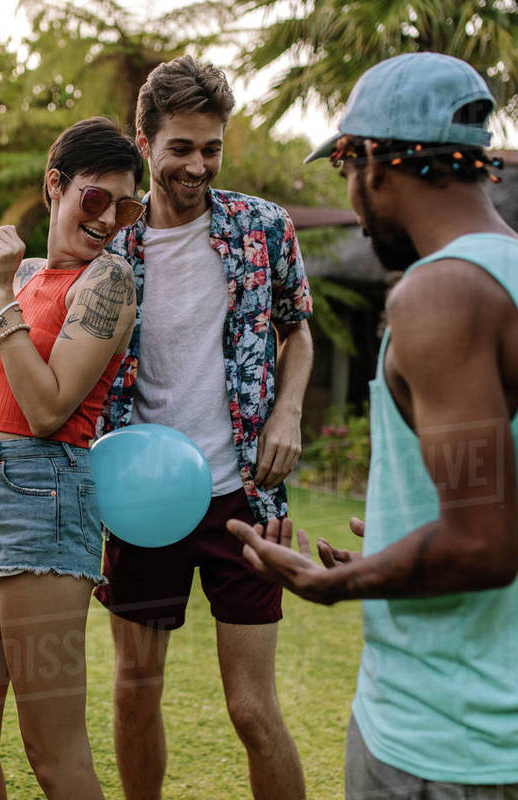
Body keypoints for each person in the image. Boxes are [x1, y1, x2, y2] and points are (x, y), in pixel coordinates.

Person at [228, 52, 518, 799]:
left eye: (345, 170)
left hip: (441, 741)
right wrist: (409, 548)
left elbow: (482, 543)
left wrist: (340, 582)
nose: (351, 199)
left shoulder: (438, 294)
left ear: (373, 162)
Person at [90, 56, 313, 800]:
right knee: (134, 689)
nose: (197, 165)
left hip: (243, 499)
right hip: (139, 499)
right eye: (181, 148)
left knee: (252, 710)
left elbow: (297, 327)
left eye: (211, 147)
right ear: (145, 142)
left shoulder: (263, 228)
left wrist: (289, 408)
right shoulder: (110, 251)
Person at [0, 116, 142, 800]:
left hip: (50, 499)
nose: (109, 219)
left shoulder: (108, 284)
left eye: (126, 206)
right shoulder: (25, 280)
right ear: (56, 186)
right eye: (95, 199)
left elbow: (48, 411)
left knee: (52, 752)